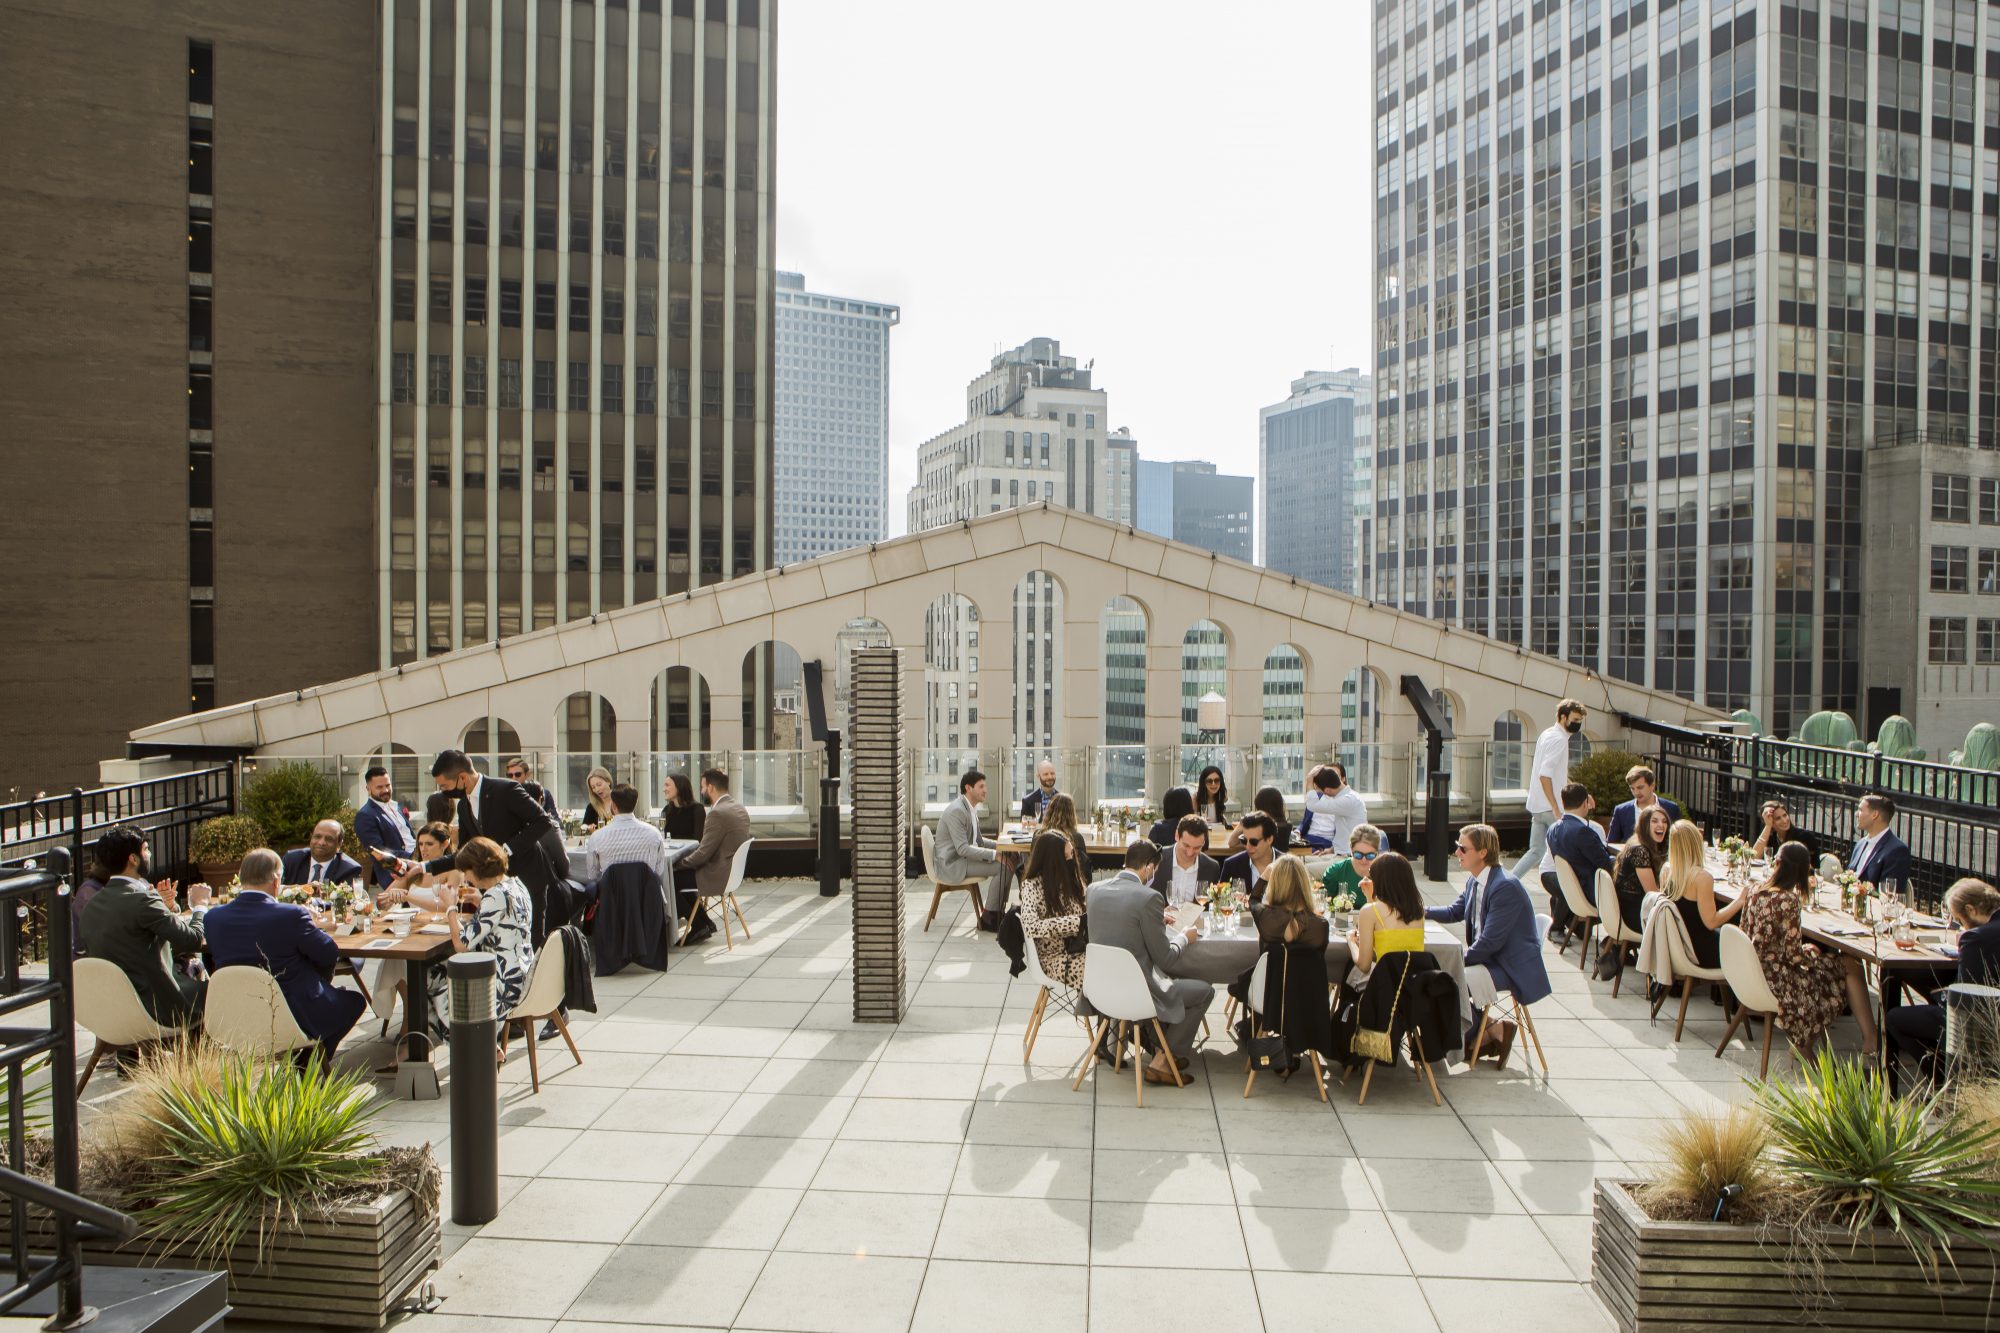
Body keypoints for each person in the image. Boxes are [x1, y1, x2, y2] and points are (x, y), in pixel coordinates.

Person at [201, 848, 366, 1064]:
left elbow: (211, 962)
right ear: (277, 880)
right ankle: (309, 1061)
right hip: (291, 1013)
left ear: (241, 878)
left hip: (237, 1013)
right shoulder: (291, 915)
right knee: (354, 1001)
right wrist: (313, 928)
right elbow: (328, 953)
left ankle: (306, 1058)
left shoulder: (213, 917)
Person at [1085, 840, 1213, 1085]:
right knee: (1204, 991)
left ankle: (1161, 1048)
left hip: (1100, 990)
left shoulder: (1094, 889)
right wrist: (1184, 938)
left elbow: (1120, 925)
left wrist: (1154, 920)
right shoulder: (1149, 897)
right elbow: (1165, 958)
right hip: (1139, 993)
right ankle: (1165, 1058)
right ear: (1148, 868)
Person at [1741, 840, 1878, 1058]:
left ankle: (1809, 1041)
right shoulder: (1788, 900)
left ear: (1777, 862)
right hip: (1780, 980)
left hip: (1754, 974)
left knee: (1836, 965)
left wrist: (1804, 950)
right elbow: (1794, 958)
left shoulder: (1755, 892)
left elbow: (1745, 933)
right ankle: (1869, 1041)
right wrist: (1810, 952)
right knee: (1851, 965)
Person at [421, 749, 571, 946]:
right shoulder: (463, 807)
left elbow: (543, 821)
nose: (444, 792)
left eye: (445, 786)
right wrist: (425, 867)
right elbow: (464, 852)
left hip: (528, 877)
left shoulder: (506, 789)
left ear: (462, 778)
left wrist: (507, 849)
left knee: (531, 942)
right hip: (493, 884)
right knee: (497, 941)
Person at [1430, 823, 1551, 1064]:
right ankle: (1487, 1032)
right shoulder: (1476, 880)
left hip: (1508, 967)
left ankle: (1483, 1034)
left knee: (1444, 983)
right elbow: (1455, 911)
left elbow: (1489, 943)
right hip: (1491, 960)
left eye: (1463, 849)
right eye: (1457, 847)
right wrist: (1417, 911)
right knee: (1438, 978)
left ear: (1483, 852)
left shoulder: (1505, 887)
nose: (1457, 853)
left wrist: (1454, 960)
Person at [78, 825, 206, 1026]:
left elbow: (130, 940)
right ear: (133, 859)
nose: (150, 854)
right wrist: (200, 906)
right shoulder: (142, 899)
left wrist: (166, 909)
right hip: (159, 1008)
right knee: (221, 989)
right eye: (146, 849)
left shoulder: (91, 905)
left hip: (112, 1012)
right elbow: (194, 940)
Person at [1884, 878, 2000, 1084]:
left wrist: (1937, 993)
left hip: (1982, 1027)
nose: (1958, 925)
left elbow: (1964, 999)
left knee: (1895, 1017)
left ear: (1971, 910)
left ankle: (1942, 1082)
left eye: (1958, 920)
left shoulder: (1976, 938)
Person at [426, 837, 536, 1041]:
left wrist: (450, 906)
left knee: (427, 978)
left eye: (466, 871)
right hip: (522, 974)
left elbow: (461, 945)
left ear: (477, 869)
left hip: (502, 986)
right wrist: (481, 902)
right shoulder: (515, 885)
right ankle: (479, 1044)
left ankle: (472, 1044)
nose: (466, 878)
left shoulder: (495, 896)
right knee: (439, 973)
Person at [1514, 698, 1587, 880]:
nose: (1578, 724)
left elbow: (1556, 775)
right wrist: (1555, 807)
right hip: (1550, 807)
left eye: (1580, 721)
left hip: (1537, 806)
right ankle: (1568, 890)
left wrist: (1582, 794)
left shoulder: (1547, 734)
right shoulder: (1559, 740)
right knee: (1565, 852)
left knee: (1536, 852)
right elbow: (1545, 775)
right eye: (1575, 720)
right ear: (1563, 717)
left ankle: (1506, 882)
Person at [1596, 805, 1670, 981]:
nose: (1661, 825)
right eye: (1654, 821)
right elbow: (1653, 893)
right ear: (1644, 824)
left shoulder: (1637, 842)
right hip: (1633, 916)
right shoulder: (1641, 851)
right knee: (1679, 918)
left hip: (1626, 910)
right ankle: (1670, 978)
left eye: (1664, 821)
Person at [937, 770, 1018, 931]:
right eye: (981, 786)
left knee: (1011, 860)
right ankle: (990, 917)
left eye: (985, 786)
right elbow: (962, 849)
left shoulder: (970, 809)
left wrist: (1003, 846)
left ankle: (998, 910)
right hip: (953, 864)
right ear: (968, 788)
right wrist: (995, 855)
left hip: (962, 858)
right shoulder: (957, 811)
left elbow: (979, 841)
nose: (985, 790)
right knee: (1003, 866)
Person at [676, 768, 750, 943]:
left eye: (702, 787)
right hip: (731, 873)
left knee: (672, 878)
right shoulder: (738, 807)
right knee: (680, 877)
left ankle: (700, 926)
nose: (701, 791)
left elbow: (702, 854)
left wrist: (677, 863)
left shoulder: (717, 813)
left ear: (710, 788)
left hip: (717, 874)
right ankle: (705, 923)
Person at [1657, 817, 1739, 972]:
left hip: (1679, 946)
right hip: (1701, 952)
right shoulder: (1701, 878)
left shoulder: (1666, 871)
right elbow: (1712, 922)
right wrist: (1740, 900)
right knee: (1744, 939)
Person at [1547, 781, 1615, 951]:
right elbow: (1605, 862)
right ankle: (1618, 945)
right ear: (1586, 802)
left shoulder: (1553, 829)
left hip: (1573, 891)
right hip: (1590, 892)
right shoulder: (1582, 831)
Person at [1345, 849, 1427, 987]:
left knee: (1349, 971)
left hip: (1385, 987)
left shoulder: (1369, 911)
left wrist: (1351, 941)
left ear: (1379, 880)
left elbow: (1364, 965)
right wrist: (1370, 899)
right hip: (1413, 988)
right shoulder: (1417, 911)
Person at [1017, 830, 1088, 991]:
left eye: (1072, 854)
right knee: (1103, 973)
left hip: (1079, 948)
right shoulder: (1031, 886)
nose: (1071, 859)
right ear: (1053, 860)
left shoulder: (1070, 878)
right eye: (1066, 856)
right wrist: (1075, 923)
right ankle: (1113, 1013)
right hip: (1053, 959)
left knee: (1114, 963)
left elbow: (1087, 905)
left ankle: (1114, 1013)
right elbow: (1030, 926)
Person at [585, 782, 670, 884]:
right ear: (635, 803)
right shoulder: (654, 834)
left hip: (611, 896)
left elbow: (592, 874)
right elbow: (659, 870)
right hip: (645, 896)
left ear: (614, 805)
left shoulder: (597, 836)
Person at [660, 772, 708, 930]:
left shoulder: (697, 809)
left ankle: (699, 924)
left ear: (679, 787)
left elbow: (698, 842)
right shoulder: (667, 810)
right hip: (675, 862)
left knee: (667, 882)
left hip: (693, 864)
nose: (663, 789)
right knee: (664, 879)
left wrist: (682, 863)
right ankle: (704, 924)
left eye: (667, 785)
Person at [356, 765, 418, 888]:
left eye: (388, 785)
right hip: (396, 875)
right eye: (379, 787)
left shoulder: (396, 806)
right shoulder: (365, 815)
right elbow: (378, 851)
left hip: (417, 864)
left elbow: (407, 837)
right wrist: (414, 857)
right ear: (368, 789)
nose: (385, 790)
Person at [1250, 854, 1328, 951]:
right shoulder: (1321, 925)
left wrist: (1265, 876)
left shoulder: (1266, 918)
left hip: (1275, 966)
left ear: (1275, 886)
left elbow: (1253, 900)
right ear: (1305, 885)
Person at [1150, 815, 1221, 906]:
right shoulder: (1156, 859)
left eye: (1197, 848)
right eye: (1186, 846)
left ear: (1203, 843)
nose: (1190, 853)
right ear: (1177, 836)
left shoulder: (1212, 867)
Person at [1848, 792, 1913, 890]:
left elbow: (1889, 894)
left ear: (1875, 815)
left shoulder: (1897, 851)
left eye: (1860, 810)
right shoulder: (1860, 844)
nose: (1856, 814)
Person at [1605, 765, 1683, 844]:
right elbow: (1611, 844)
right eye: (1632, 788)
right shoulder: (1621, 811)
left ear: (1652, 785)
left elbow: (1679, 841)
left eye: (1640, 787)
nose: (1636, 792)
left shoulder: (1672, 809)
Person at [1319, 823, 1386, 912]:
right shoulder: (1335, 872)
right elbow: (1323, 906)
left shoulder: (1386, 874)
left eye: (1370, 856)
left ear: (1377, 852)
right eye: (1358, 855)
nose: (1364, 860)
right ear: (1351, 849)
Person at [1299, 762, 1366, 851]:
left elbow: (1312, 805)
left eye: (1320, 791)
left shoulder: (1347, 800)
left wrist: (1309, 779)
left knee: (1303, 863)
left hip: (1347, 856)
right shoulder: (1351, 797)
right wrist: (1331, 850)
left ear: (1327, 790)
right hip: (1338, 851)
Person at [280, 819, 365, 888]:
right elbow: (273, 889)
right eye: (317, 837)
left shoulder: (349, 869)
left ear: (339, 844)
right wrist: (303, 888)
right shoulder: (292, 859)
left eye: (329, 839)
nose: (321, 842)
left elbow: (345, 901)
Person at [1219, 812, 1281, 902]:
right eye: (1244, 840)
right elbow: (1221, 903)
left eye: (1253, 842)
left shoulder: (1290, 866)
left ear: (1269, 839)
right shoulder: (1232, 865)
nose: (1247, 846)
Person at [1228, 786, 1293, 854]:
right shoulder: (1286, 826)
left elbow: (1232, 843)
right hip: (1279, 863)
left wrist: (1244, 821)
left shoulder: (1259, 827)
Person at [1749, 800, 1816, 862]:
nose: (1784, 821)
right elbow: (1754, 857)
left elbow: (1812, 867)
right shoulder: (1770, 837)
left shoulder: (1805, 836)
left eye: (1785, 815)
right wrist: (1768, 825)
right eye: (1778, 818)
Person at [1040, 793, 1092, 872]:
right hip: (1068, 882)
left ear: (1049, 811)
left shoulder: (1038, 835)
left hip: (1043, 881)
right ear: (1072, 814)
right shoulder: (1076, 838)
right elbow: (1084, 869)